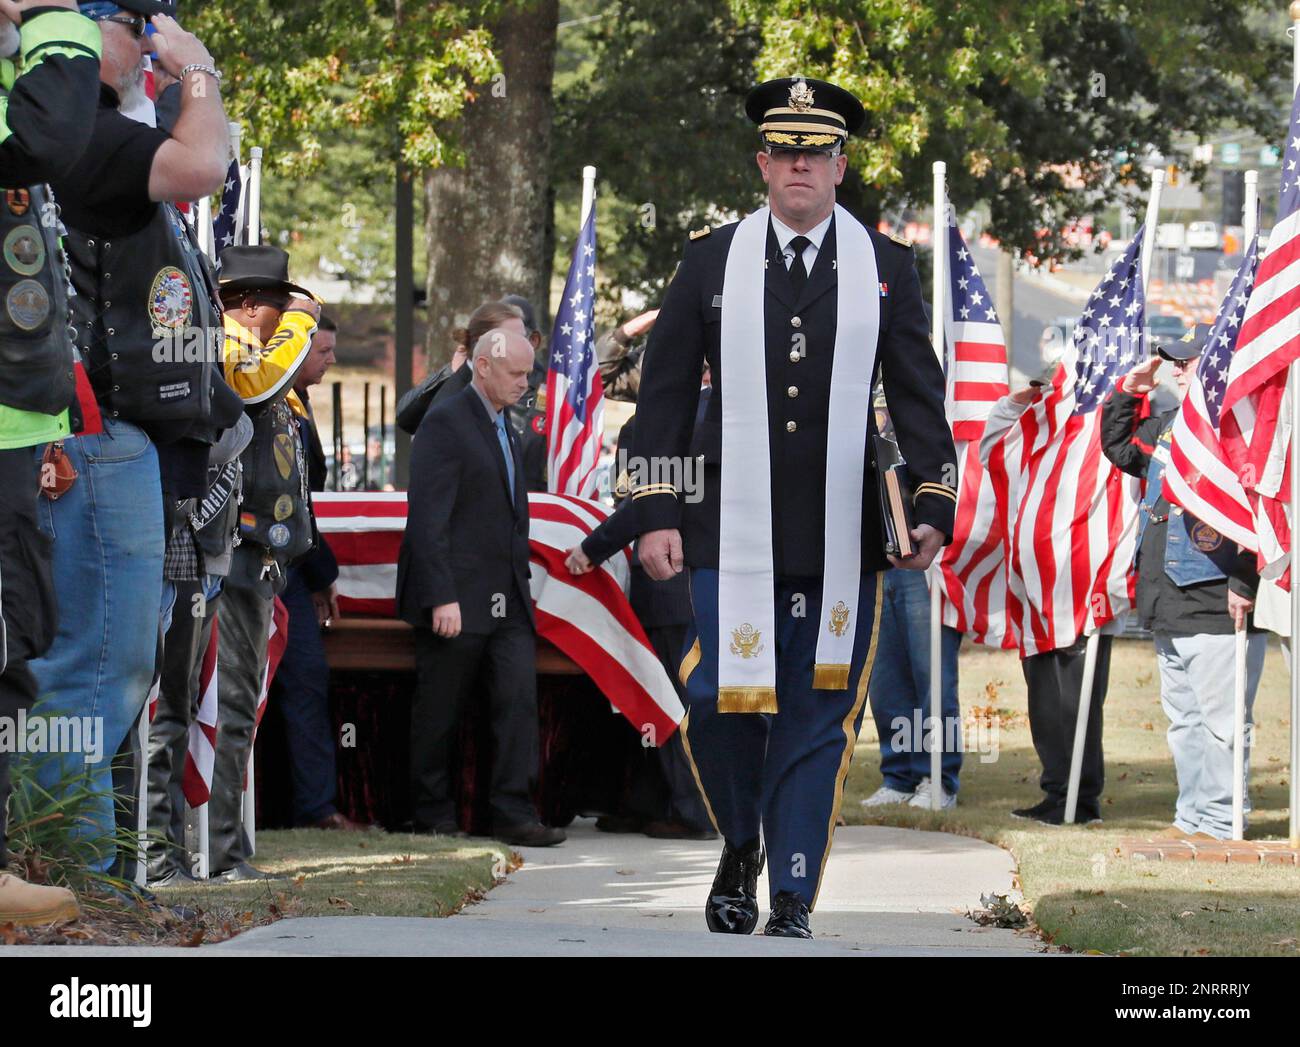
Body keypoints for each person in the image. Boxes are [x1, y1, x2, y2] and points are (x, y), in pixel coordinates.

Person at [630, 76, 957, 938]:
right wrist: (654, 508)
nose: (801, 167)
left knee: (817, 715)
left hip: (837, 536)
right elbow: (661, 397)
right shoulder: (709, 261)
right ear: (762, 163)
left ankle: (792, 891)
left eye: (818, 153)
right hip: (723, 530)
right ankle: (741, 843)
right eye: (786, 152)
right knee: (720, 698)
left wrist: (931, 498)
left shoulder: (886, 268)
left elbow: (919, 398)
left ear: (841, 166)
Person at [25, 1, 228, 873]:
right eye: (132, 24)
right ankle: (68, 874)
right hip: (95, 438)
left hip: (90, 435)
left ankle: (84, 867)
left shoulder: (61, 132)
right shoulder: (84, 131)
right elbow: (204, 163)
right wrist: (197, 67)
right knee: (98, 667)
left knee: (96, 669)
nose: (148, 43)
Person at [0, 0, 102, 925]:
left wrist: (48, 423)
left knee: (13, 643)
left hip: (14, 425)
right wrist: (53, 19)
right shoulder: (34, 59)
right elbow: (52, 135)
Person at [396, 328, 564, 847]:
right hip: (458, 598)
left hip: (507, 595)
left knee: (516, 703)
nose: (525, 382)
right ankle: (431, 813)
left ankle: (512, 812)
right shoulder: (445, 421)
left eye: (528, 372)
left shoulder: (502, 424)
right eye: (516, 372)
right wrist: (442, 595)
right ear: (483, 367)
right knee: (441, 708)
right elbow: (429, 518)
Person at [1101, 325, 1264, 840]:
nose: (1177, 368)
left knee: (1222, 724)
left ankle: (1221, 820)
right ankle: (1192, 816)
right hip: (1167, 597)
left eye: (1188, 361)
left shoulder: (1239, 429)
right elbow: (1120, 448)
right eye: (1175, 360)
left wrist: (1245, 580)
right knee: (1185, 721)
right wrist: (1131, 389)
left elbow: (1261, 513)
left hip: (1219, 597)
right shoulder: (1168, 427)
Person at [208, 244, 320, 881]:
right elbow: (260, 382)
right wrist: (303, 323)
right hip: (233, 554)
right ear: (249, 306)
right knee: (224, 702)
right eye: (280, 307)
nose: (289, 318)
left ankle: (228, 847)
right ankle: (220, 851)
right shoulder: (229, 346)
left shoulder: (264, 358)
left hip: (263, 560)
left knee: (242, 700)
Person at [981, 383, 1117, 826]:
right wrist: (1013, 404)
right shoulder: (1029, 445)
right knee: (1045, 703)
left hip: (1079, 590)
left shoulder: (1088, 438)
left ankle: (1081, 798)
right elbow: (991, 447)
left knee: (1077, 704)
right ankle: (1057, 790)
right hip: (1034, 593)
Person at [269, 314, 368, 831]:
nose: (331, 361)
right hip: (275, 566)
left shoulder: (298, 405)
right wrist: (323, 574)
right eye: (323, 352)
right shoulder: (274, 404)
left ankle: (313, 807)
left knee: (306, 681)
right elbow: (292, 503)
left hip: (296, 569)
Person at [395, 300, 524, 435]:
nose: (523, 347)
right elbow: (406, 418)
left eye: (524, 340)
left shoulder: (512, 385)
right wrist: (451, 373)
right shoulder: (456, 393)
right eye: (512, 340)